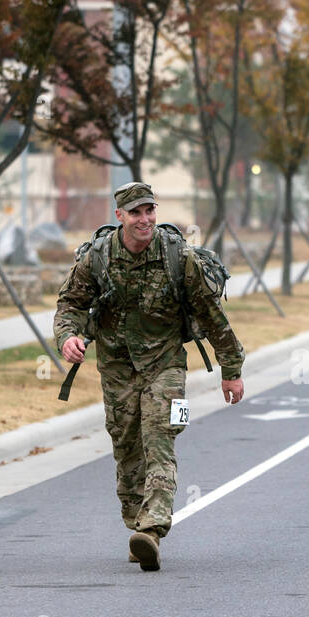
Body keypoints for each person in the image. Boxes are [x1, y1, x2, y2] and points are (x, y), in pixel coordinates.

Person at [54, 181, 245, 572]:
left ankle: (153, 526)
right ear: (119, 216)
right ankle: (136, 523)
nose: (145, 220)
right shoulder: (98, 258)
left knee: (159, 437)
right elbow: (70, 303)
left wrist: (232, 370)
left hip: (166, 365)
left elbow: (212, 316)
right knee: (126, 449)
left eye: (150, 211)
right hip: (117, 368)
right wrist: (67, 337)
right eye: (136, 213)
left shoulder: (179, 256)